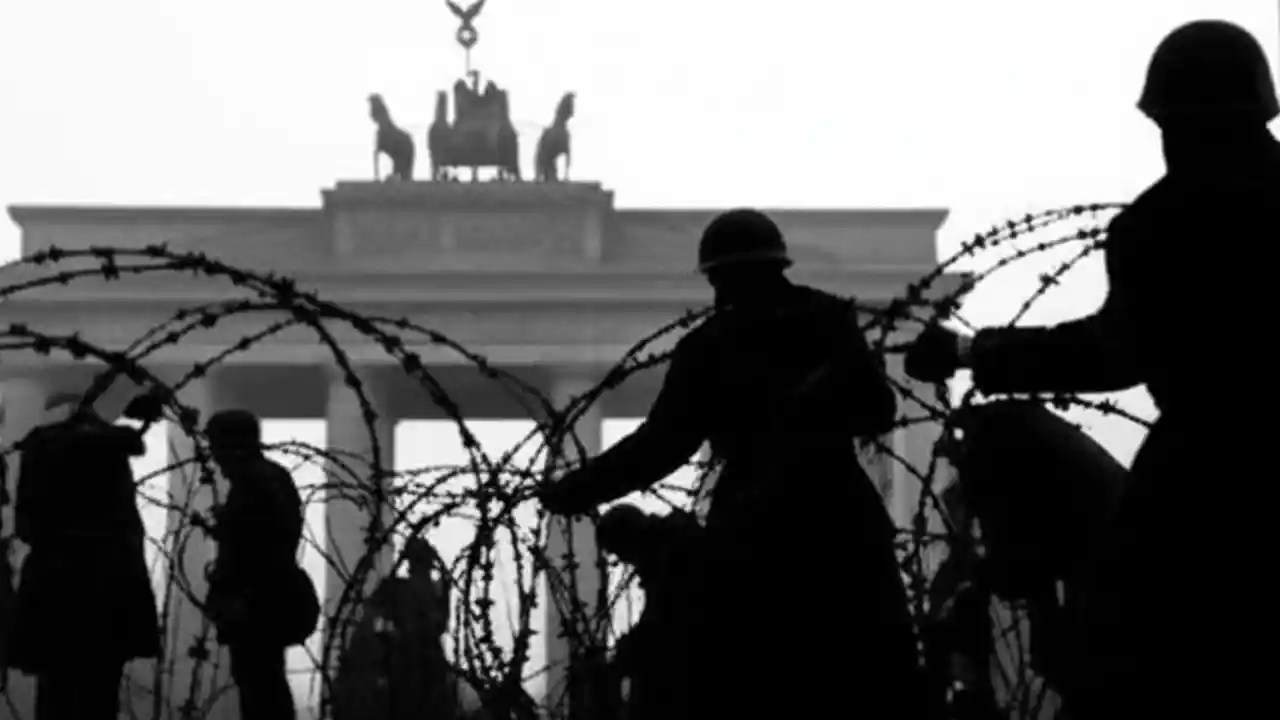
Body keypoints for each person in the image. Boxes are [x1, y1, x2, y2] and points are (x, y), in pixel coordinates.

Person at [903, 19, 1280, 719]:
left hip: (1207, 469)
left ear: (1166, 119)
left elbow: (1112, 353)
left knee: (1121, 644)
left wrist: (968, 350)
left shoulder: (1161, 223)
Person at [538, 208, 923, 718]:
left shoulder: (710, 344)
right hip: (840, 515)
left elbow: (662, 443)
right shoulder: (829, 320)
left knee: (743, 682)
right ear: (779, 264)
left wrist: (577, 488)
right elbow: (878, 407)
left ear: (718, 276)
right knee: (875, 678)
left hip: (753, 528)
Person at [6, 391, 163, 719]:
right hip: (113, 590)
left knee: (55, 692)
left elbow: (27, 525)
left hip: (54, 592)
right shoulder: (112, 452)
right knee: (101, 691)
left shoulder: (42, 452)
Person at [203, 409, 318, 720]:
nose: (214, 458)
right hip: (263, 603)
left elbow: (263, 545)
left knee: (261, 690)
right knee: (263, 685)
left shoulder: (255, 483)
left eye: (216, 446)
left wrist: (229, 528)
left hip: (257, 606)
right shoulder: (268, 478)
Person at [332, 534, 460, 720]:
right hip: (404, 666)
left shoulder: (427, 589)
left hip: (420, 667)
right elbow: (371, 616)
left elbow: (438, 626)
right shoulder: (397, 588)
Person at [594, 505, 701, 720]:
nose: (626, 563)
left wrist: (623, 655)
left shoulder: (675, 558)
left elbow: (665, 630)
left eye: (621, 553)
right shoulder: (673, 548)